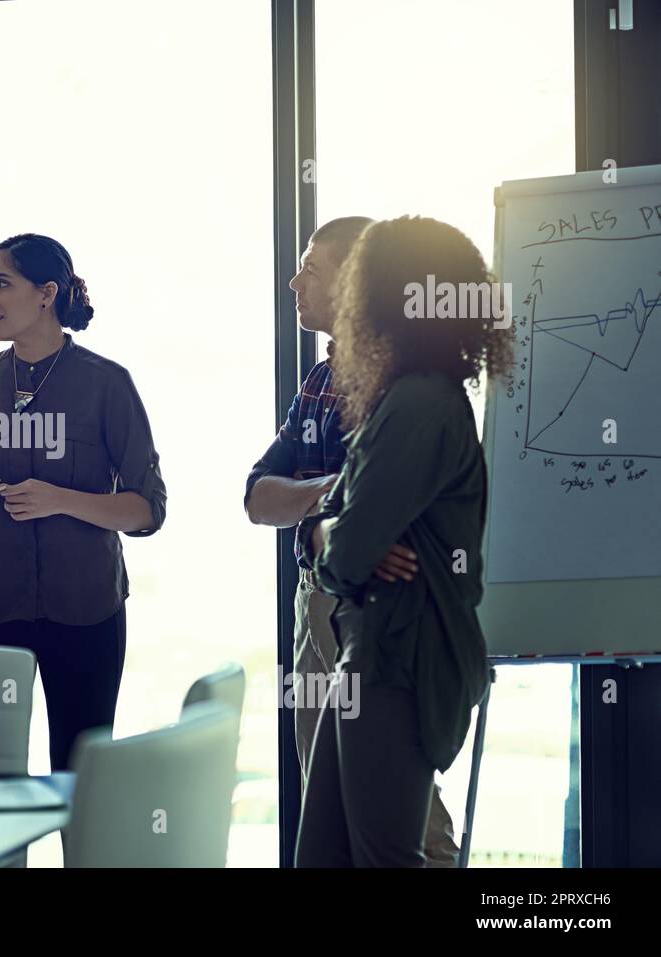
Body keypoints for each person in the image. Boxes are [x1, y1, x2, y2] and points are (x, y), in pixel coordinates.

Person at [293, 216, 511, 866]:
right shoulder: (410, 399)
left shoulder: (419, 404)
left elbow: (348, 548)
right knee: (323, 856)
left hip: (397, 662)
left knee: (384, 857)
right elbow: (340, 530)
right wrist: (332, 530)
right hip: (374, 653)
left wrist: (334, 533)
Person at [246, 216, 461, 867]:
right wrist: (328, 496)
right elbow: (258, 496)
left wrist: (327, 500)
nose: (294, 281)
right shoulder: (318, 379)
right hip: (317, 603)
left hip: (381, 607)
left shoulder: (406, 384)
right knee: (325, 793)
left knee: (404, 809)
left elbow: (391, 509)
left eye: (311, 268)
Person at [0, 234, 167, 771]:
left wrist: (60, 499)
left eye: (2, 284)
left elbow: (147, 510)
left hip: (85, 610)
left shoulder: (108, 384)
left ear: (46, 294)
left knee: (78, 780)